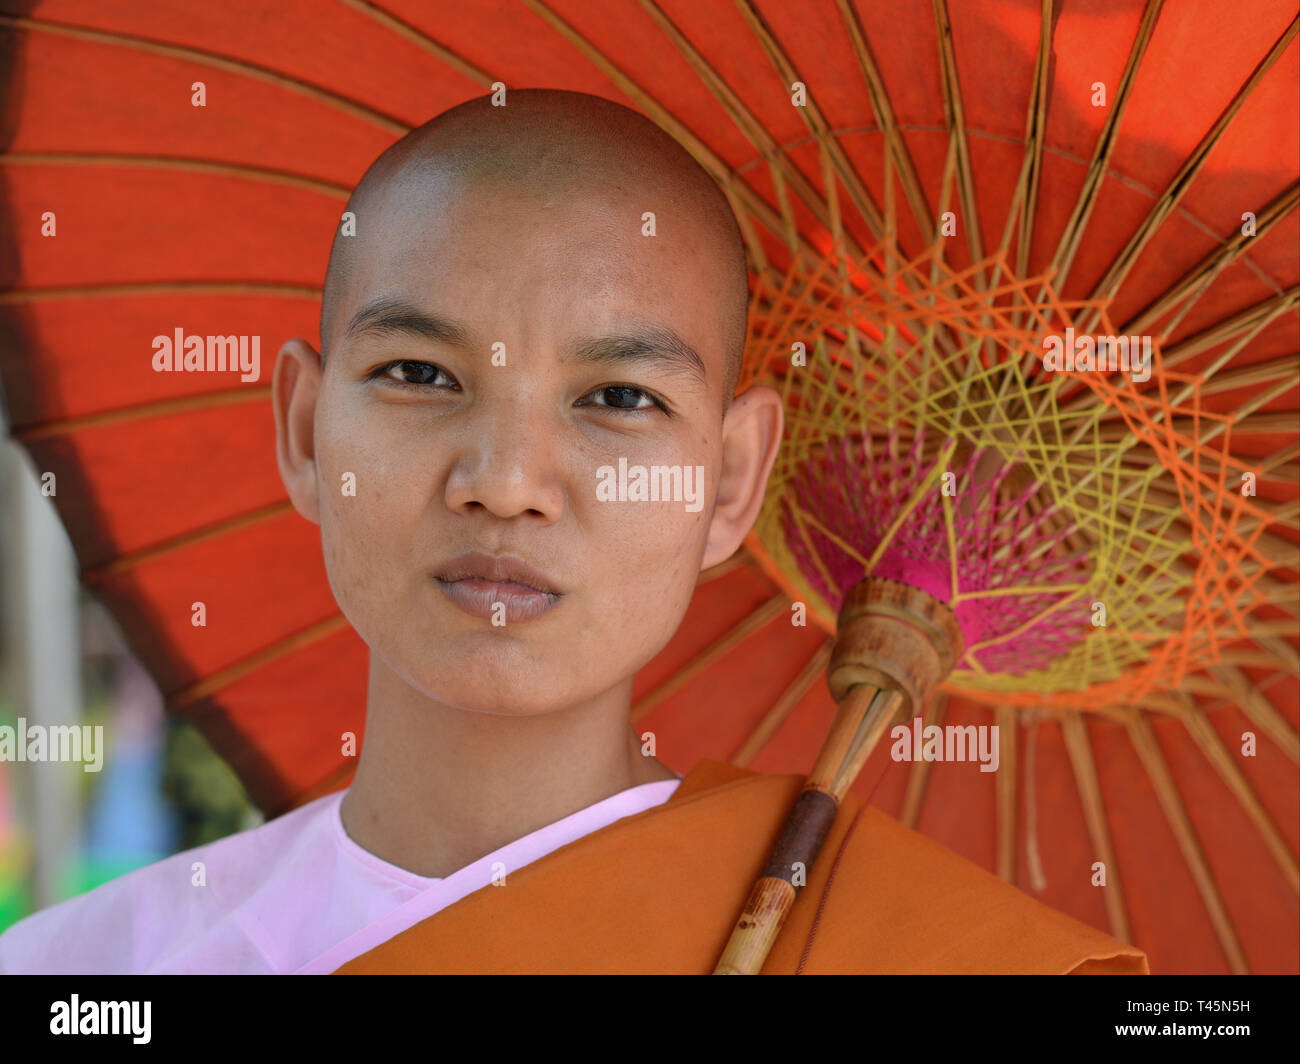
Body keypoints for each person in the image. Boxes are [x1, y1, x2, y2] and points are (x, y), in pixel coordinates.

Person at [0, 89, 1147, 975]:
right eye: (417, 372)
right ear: (305, 428)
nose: (505, 483)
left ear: (731, 477)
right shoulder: (94, 971)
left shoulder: (906, 957)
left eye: (617, 398)